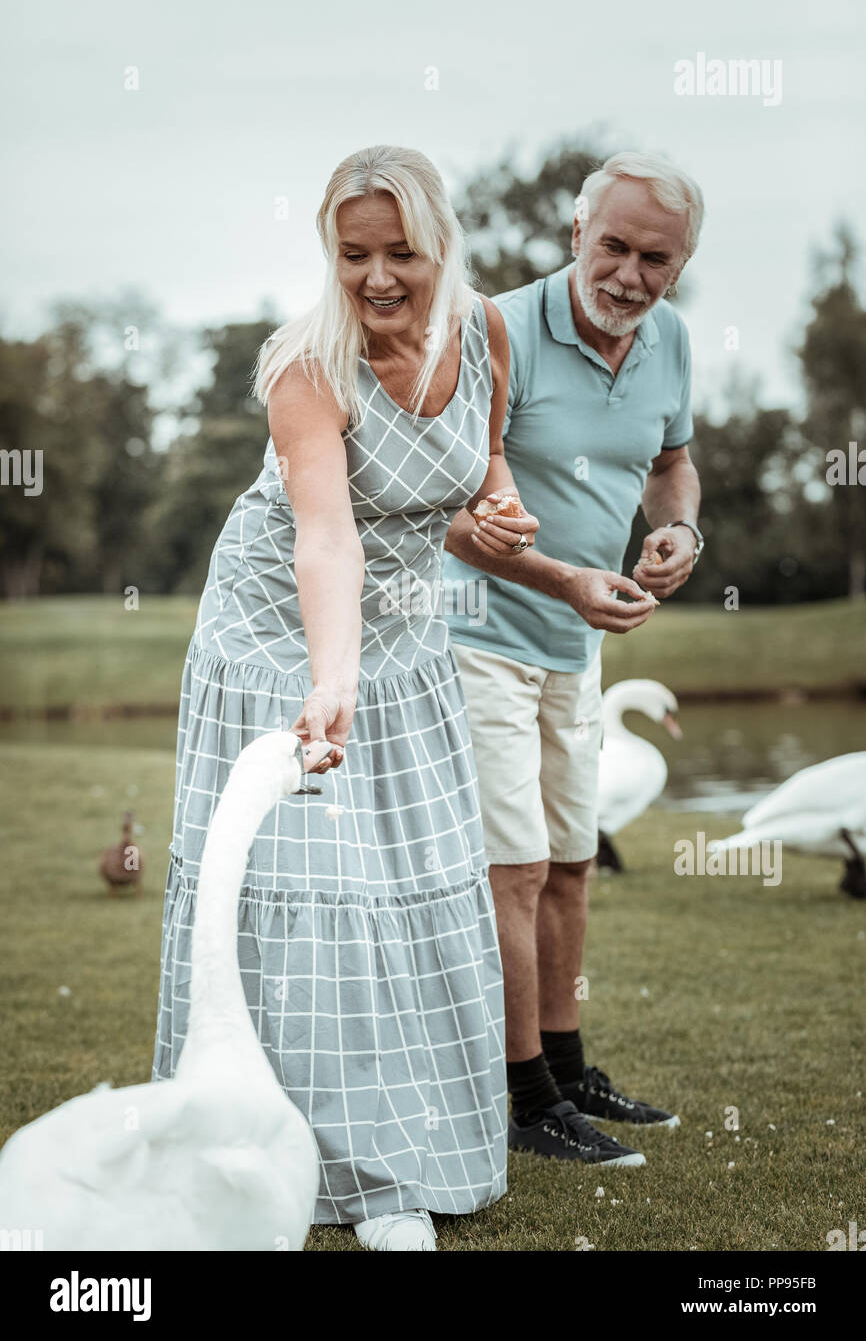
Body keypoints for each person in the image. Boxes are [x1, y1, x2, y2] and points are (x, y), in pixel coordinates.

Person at [150, 144, 541, 1251]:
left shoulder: (485, 333)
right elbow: (325, 536)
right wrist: (331, 680)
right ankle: (319, 1165)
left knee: (405, 886)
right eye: (351, 252)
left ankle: (403, 1147)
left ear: (441, 247)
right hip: (280, 634)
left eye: (399, 253)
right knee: (309, 888)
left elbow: (486, 461)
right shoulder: (305, 366)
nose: (375, 277)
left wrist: (499, 510)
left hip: (409, 630)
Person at [441, 151, 705, 1167]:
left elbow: (673, 465)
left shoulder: (671, 339)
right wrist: (566, 582)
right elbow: (456, 516)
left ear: (677, 266)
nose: (629, 275)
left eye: (655, 258)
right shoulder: (493, 326)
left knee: (570, 864)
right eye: (614, 247)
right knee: (510, 872)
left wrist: (680, 535)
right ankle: (520, 1098)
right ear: (574, 235)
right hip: (479, 642)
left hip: (574, 646)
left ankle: (566, 1062)